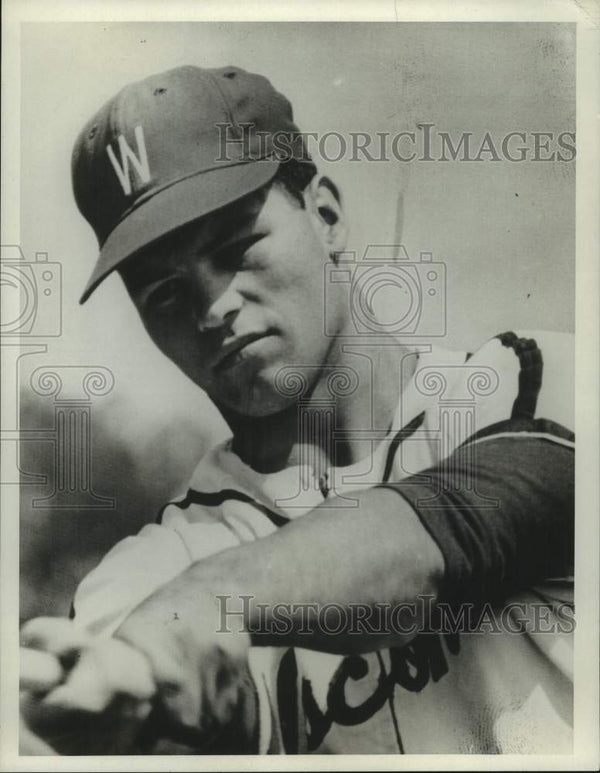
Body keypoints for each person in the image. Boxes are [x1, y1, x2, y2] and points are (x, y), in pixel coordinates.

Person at [19, 65, 574, 755]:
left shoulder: (536, 381)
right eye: (164, 292)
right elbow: (164, 702)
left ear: (327, 216)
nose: (213, 305)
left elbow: (446, 536)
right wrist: (148, 700)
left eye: (234, 247)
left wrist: (197, 610)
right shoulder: (146, 573)